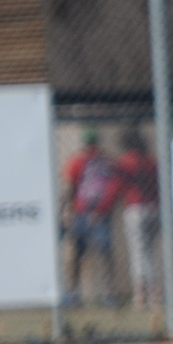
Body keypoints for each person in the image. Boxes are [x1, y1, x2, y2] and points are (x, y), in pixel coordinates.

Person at [61, 128, 122, 307]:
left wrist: (64, 208)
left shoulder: (101, 162)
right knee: (88, 253)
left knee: (95, 253)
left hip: (91, 211)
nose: (90, 148)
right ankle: (80, 293)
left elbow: (69, 188)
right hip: (90, 212)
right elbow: (71, 185)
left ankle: (103, 293)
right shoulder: (86, 161)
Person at [113, 125, 162, 310]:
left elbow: (117, 186)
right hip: (155, 208)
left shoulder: (125, 162)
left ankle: (141, 296)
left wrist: (103, 207)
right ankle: (154, 295)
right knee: (152, 253)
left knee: (139, 254)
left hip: (135, 209)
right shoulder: (151, 161)